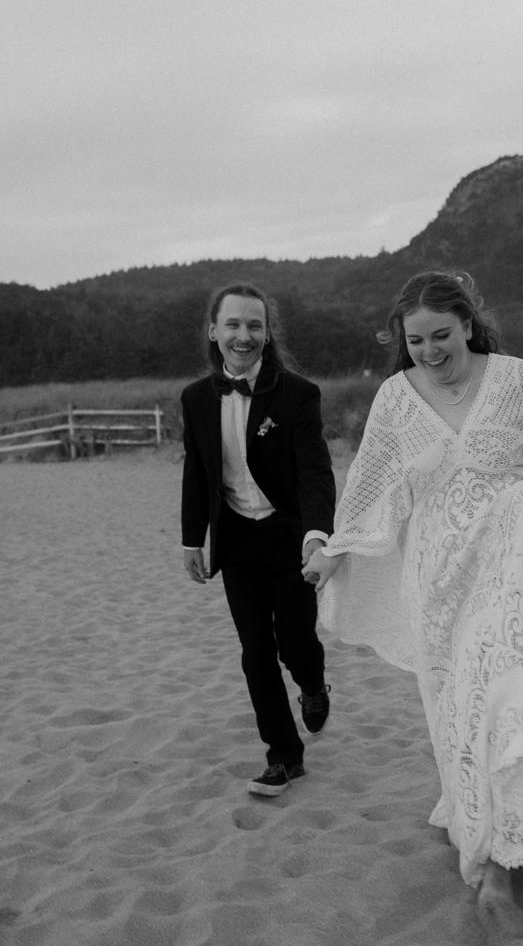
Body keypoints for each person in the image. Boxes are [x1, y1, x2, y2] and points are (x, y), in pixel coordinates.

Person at [303, 271, 523, 913]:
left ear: (468, 324)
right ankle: (479, 820)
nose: (430, 350)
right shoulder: (394, 398)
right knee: (453, 708)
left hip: (508, 567)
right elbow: (377, 490)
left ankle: (501, 856)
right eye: (415, 340)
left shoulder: (517, 380)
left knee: (506, 696)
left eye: (441, 334)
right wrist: (334, 551)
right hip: (436, 575)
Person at [182, 283, 336, 797]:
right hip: (236, 542)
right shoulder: (196, 399)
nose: (243, 335)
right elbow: (196, 472)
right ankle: (283, 756)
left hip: (287, 538)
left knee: (296, 643)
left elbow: (315, 473)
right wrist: (191, 539)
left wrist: (317, 536)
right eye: (233, 324)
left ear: (267, 334)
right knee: (255, 651)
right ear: (214, 331)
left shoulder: (297, 394)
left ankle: (313, 687)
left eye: (254, 325)